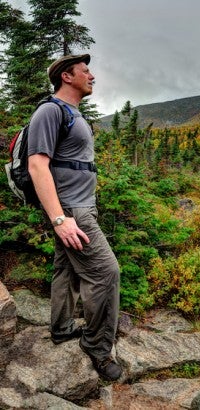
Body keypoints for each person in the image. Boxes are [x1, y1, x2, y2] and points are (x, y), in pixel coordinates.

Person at [26, 53, 123, 381]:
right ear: (67, 76)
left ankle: (62, 328)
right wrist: (59, 219)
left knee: (66, 269)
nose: (92, 76)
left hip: (79, 207)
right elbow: (37, 165)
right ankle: (98, 348)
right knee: (106, 272)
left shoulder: (73, 113)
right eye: (85, 71)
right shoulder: (50, 110)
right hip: (70, 210)